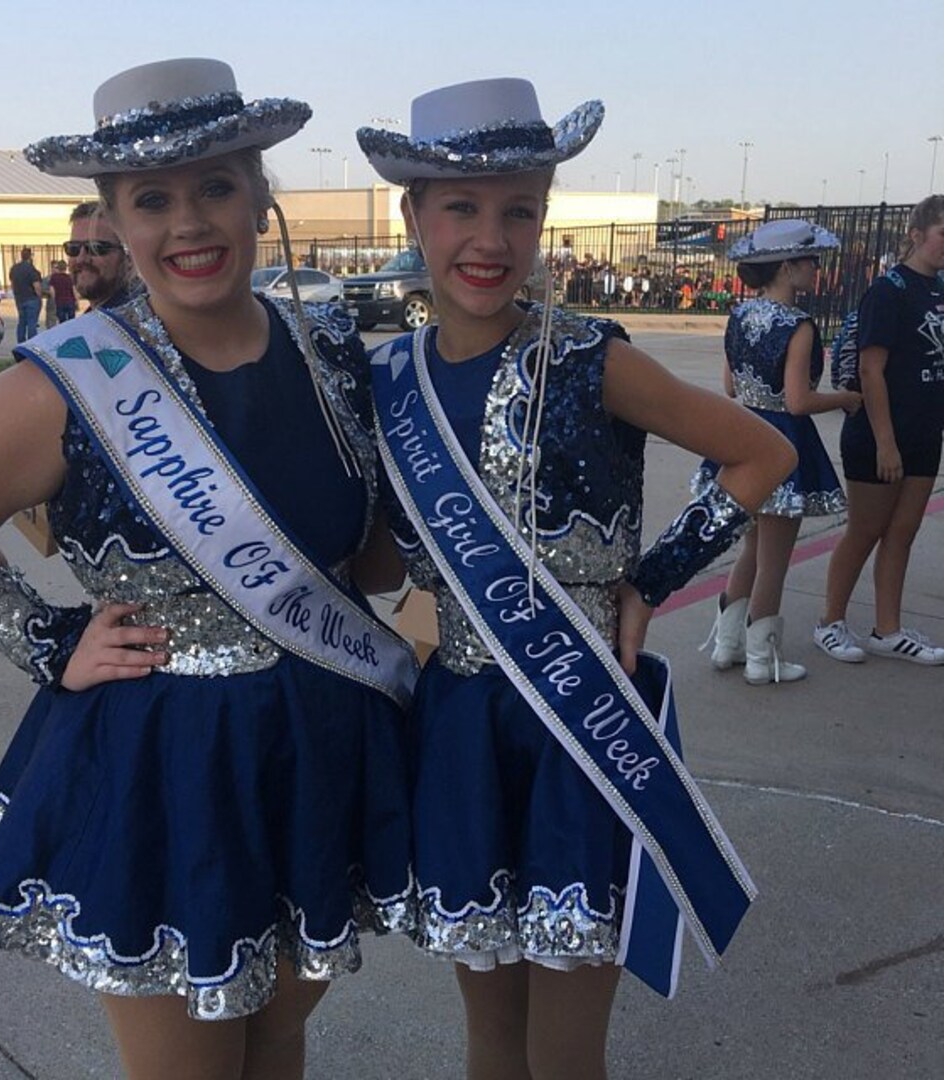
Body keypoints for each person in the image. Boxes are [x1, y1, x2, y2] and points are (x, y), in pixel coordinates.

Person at [0, 57, 416, 1080]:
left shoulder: (329, 353)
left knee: (277, 1039)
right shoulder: (71, 378)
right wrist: (50, 642)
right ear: (114, 222)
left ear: (262, 196)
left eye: (218, 185)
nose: (191, 222)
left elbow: (374, 546)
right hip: (167, 764)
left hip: (317, 741)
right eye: (154, 199)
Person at [357, 79, 795, 1080]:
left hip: (581, 729)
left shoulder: (596, 357)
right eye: (461, 207)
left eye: (520, 210)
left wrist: (654, 577)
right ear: (412, 214)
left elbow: (760, 455)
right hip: (461, 724)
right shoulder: (384, 380)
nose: (490, 238)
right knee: (488, 1036)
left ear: (545, 219)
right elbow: (378, 552)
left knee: (564, 1051)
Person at [697, 220, 862, 684]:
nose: (816, 269)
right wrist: (846, 399)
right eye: (810, 261)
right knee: (775, 557)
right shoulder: (799, 325)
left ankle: (728, 644)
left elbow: (731, 386)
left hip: (742, 434)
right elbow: (798, 401)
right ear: (787, 266)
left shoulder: (739, 315)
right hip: (783, 443)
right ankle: (760, 657)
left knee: (752, 545)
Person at [815, 195, 944, 665]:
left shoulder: (940, 290)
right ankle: (829, 621)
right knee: (866, 529)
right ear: (916, 235)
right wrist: (886, 443)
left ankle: (887, 628)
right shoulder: (888, 291)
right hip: (879, 433)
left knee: (903, 532)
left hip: (926, 430)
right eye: (942, 234)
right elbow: (871, 372)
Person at [67, 200, 137, 309]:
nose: (81, 259)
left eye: (97, 248)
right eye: (73, 248)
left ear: (129, 257)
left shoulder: (141, 320)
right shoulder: (92, 320)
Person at [8, 246, 42, 342]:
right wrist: (39, 297)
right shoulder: (31, 269)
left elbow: (12, 283)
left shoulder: (14, 269)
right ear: (30, 256)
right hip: (31, 298)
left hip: (19, 298)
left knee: (22, 322)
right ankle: (32, 343)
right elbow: (37, 286)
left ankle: (21, 342)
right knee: (32, 323)